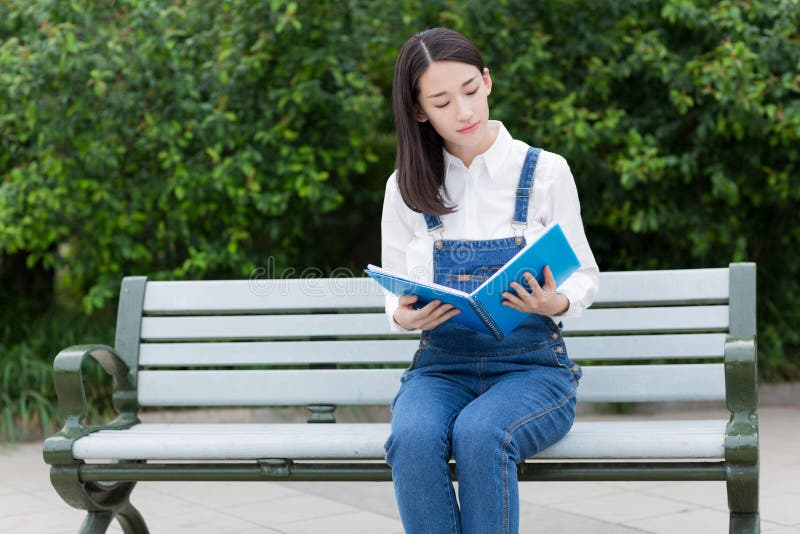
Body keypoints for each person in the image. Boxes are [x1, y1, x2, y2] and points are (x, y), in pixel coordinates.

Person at [380, 27, 600, 534]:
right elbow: (392, 284)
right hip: (441, 368)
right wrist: (401, 314)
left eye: (470, 91)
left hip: (533, 369)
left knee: (481, 434)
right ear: (419, 112)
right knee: (411, 439)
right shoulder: (406, 185)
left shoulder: (545, 171)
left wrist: (555, 301)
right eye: (441, 102)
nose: (463, 112)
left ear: (487, 80)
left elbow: (584, 273)